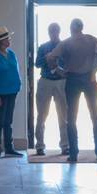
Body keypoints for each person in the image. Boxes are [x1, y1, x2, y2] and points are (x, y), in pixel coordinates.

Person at [47, 18, 97, 162]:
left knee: (71, 118)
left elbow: (50, 57)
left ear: (71, 29)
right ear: (82, 27)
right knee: (95, 116)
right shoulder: (92, 40)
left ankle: (73, 153)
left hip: (72, 80)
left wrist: (58, 70)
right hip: (89, 80)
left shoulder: (66, 43)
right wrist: (93, 73)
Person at [0, 25, 23, 158]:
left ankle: (9, 148)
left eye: (9, 38)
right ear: (0, 42)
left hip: (12, 92)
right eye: (7, 38)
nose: (9, 40)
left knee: (8, 122)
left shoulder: (11, 54)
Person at [34, 21, 69, 155]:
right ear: (49, 32)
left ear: (59, 31)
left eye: (55, 31)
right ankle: (40, 146)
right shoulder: (43, 47)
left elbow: (68, 65)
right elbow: (37, 64)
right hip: (45, 81)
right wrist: (46, 57)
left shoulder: (65, 47)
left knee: (63, 115)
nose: (53, 33)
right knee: (42, 114)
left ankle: (65, 145)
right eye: (51, 31)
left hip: (61, 82)